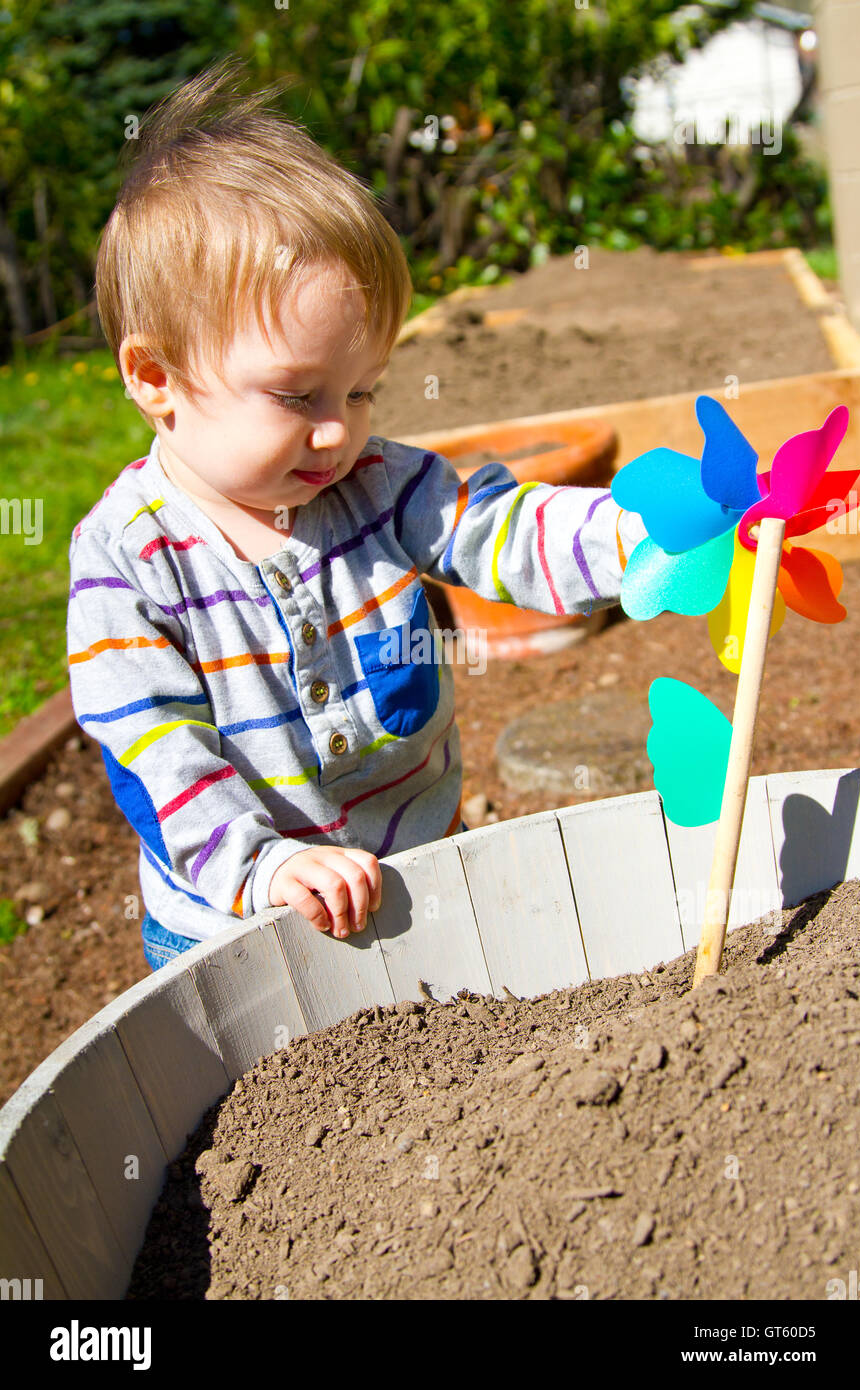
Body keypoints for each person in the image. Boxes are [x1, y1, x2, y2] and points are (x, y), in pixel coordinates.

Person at [67, 60, 647, 971]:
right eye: (297, 396)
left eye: (363, 389)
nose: (339, 430)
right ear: (155, 379)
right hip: (244, 932)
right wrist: (265, 866)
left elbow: (498, 528)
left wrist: (632, 542)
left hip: (423, 869)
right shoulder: (128, 560)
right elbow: (152, 749)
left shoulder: (378, 485)